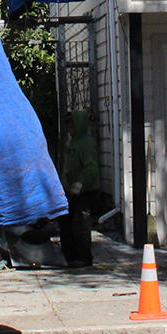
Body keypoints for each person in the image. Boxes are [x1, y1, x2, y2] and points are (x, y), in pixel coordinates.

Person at [59, 108, 101, 268]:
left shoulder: (87, 143)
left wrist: (81, 182)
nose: (69, 127)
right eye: (68, 124)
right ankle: (69, 256)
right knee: (66, 223)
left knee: (80, 225)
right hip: (70, 190)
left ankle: (84, 258)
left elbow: (91, 167)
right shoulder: (71, 141)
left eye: (72, 124)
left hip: (84, 191)